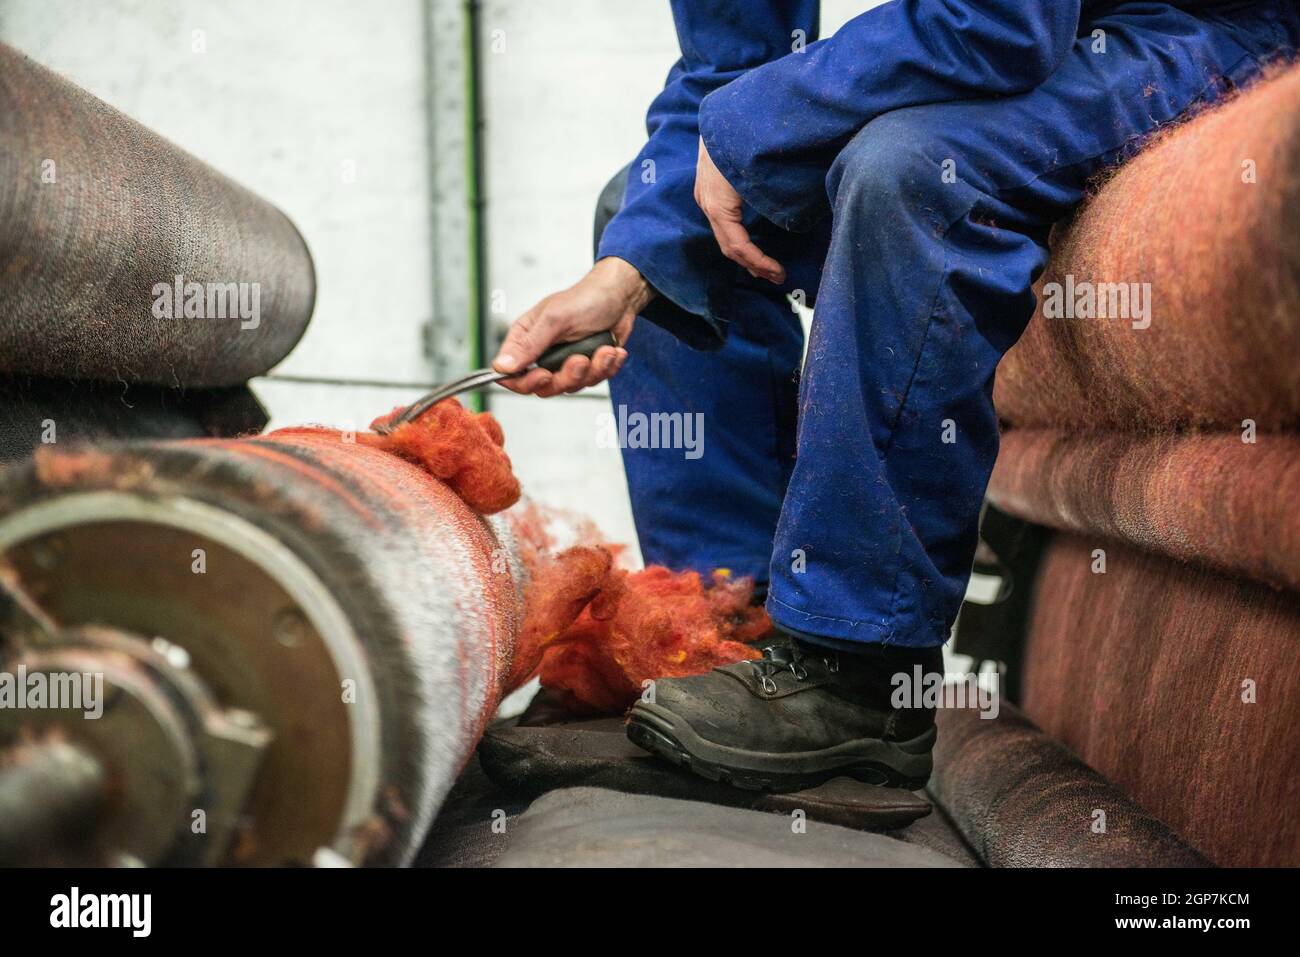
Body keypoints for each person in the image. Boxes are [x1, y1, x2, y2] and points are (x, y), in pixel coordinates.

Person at [490, 0, 1299, 791]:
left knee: (907, 170)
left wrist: (752, 121)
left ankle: (862, 675)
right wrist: (627, 269)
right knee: (650, 212)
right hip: (1032, 30)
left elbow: (1004, 25)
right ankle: (732, 632)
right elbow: (727, 63)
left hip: (1198, 27)